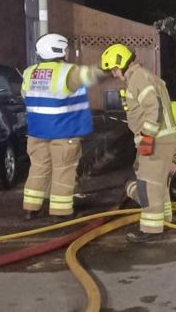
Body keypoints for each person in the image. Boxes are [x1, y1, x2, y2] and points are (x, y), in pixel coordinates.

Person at [21, 34, 109, 221]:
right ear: (59, 49)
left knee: (38, 168)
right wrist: (110, 68)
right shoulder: (68, 72)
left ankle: (31, 209)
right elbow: (93, 75)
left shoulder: (29, 72)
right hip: (64, 132)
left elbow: (25, 96)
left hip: (36, 132)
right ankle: (60, 212)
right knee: (64, 169)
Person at [101, 42, 176, 243]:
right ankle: (164, 219)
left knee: (147, 186)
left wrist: (147, 136)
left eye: (113, 69)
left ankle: (151, 230)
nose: (113, 74)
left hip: (157, 140)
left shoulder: (138, 78)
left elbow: (152, 108)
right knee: (159, 184)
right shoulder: (146, 76)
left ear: (121, 64)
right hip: (165, 138)